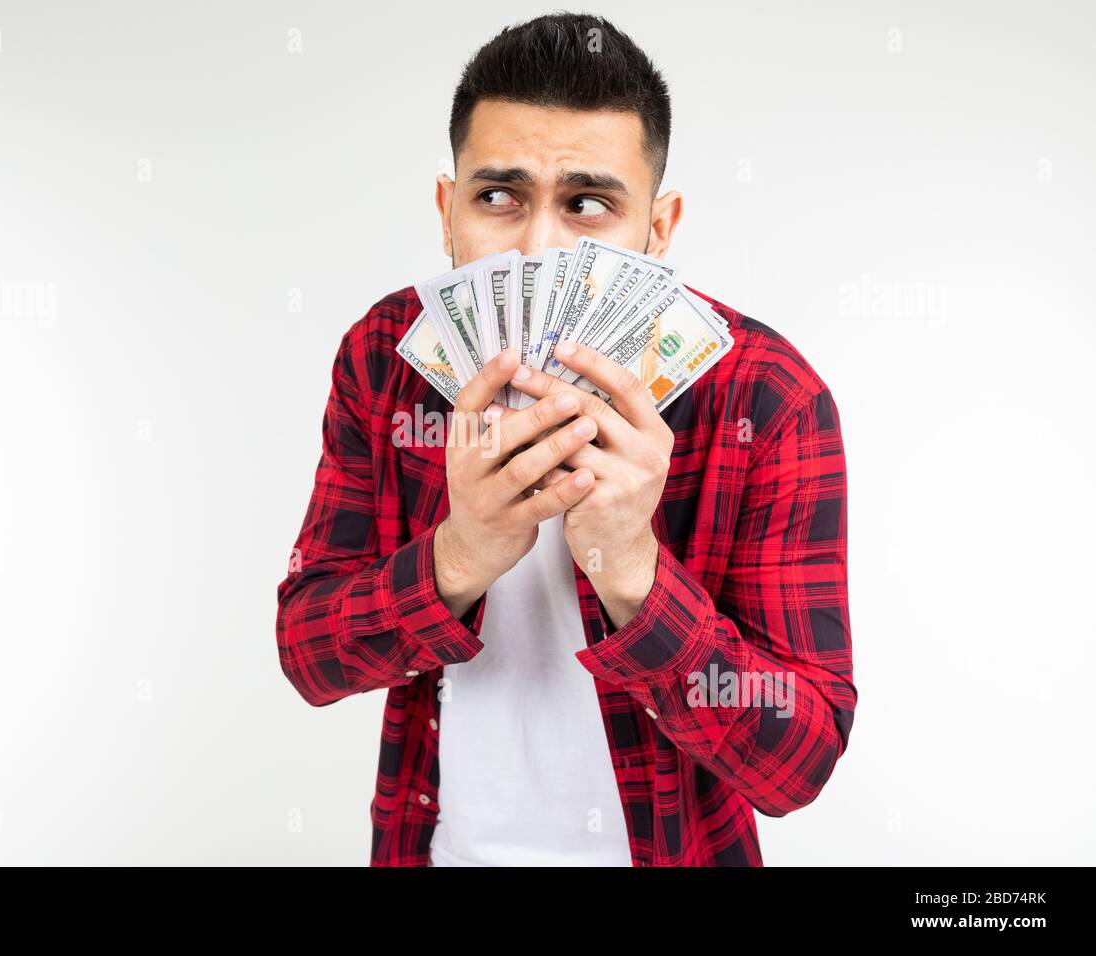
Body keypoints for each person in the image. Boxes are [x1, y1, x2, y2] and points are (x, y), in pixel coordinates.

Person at [276, 12, 856, 866]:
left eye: (588, 204)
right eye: (497, 197)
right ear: (448, 212)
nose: (538, 247)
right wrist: (459, 555)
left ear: (658, 229)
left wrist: (634, 572)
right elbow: (309, 655)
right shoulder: (386, 357)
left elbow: (796, 762)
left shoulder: (766, 395)